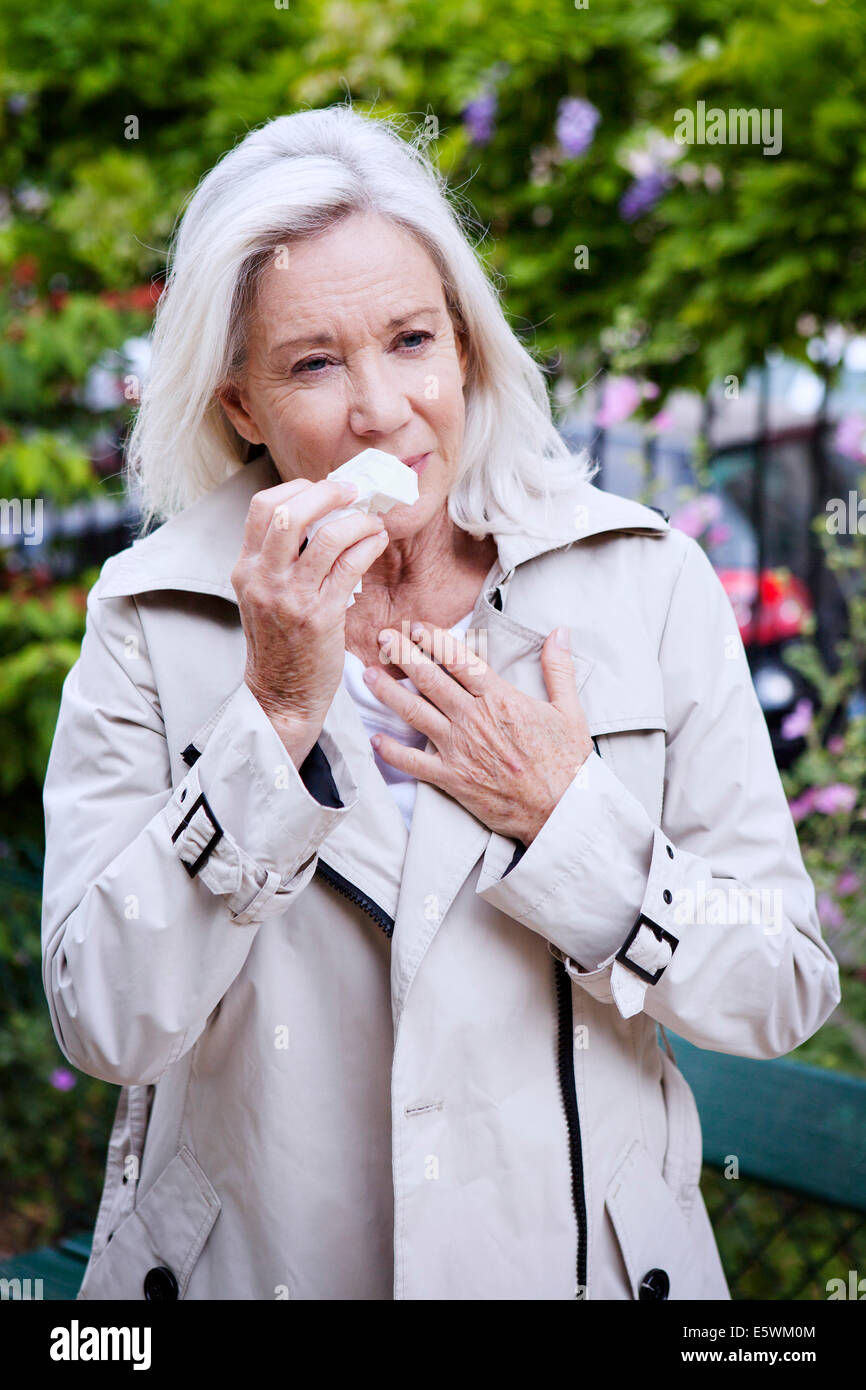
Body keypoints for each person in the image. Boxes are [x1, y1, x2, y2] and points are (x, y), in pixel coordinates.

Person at [41, 104, 841, 1301]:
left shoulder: (642, 577)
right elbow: (105, 1019)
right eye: (313, 361)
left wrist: (567, 824)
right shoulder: (152, 618)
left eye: (410, 339)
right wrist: (269, 719)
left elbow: (779, 979)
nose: (379, 407)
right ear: (239, 405)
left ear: (463, 346)